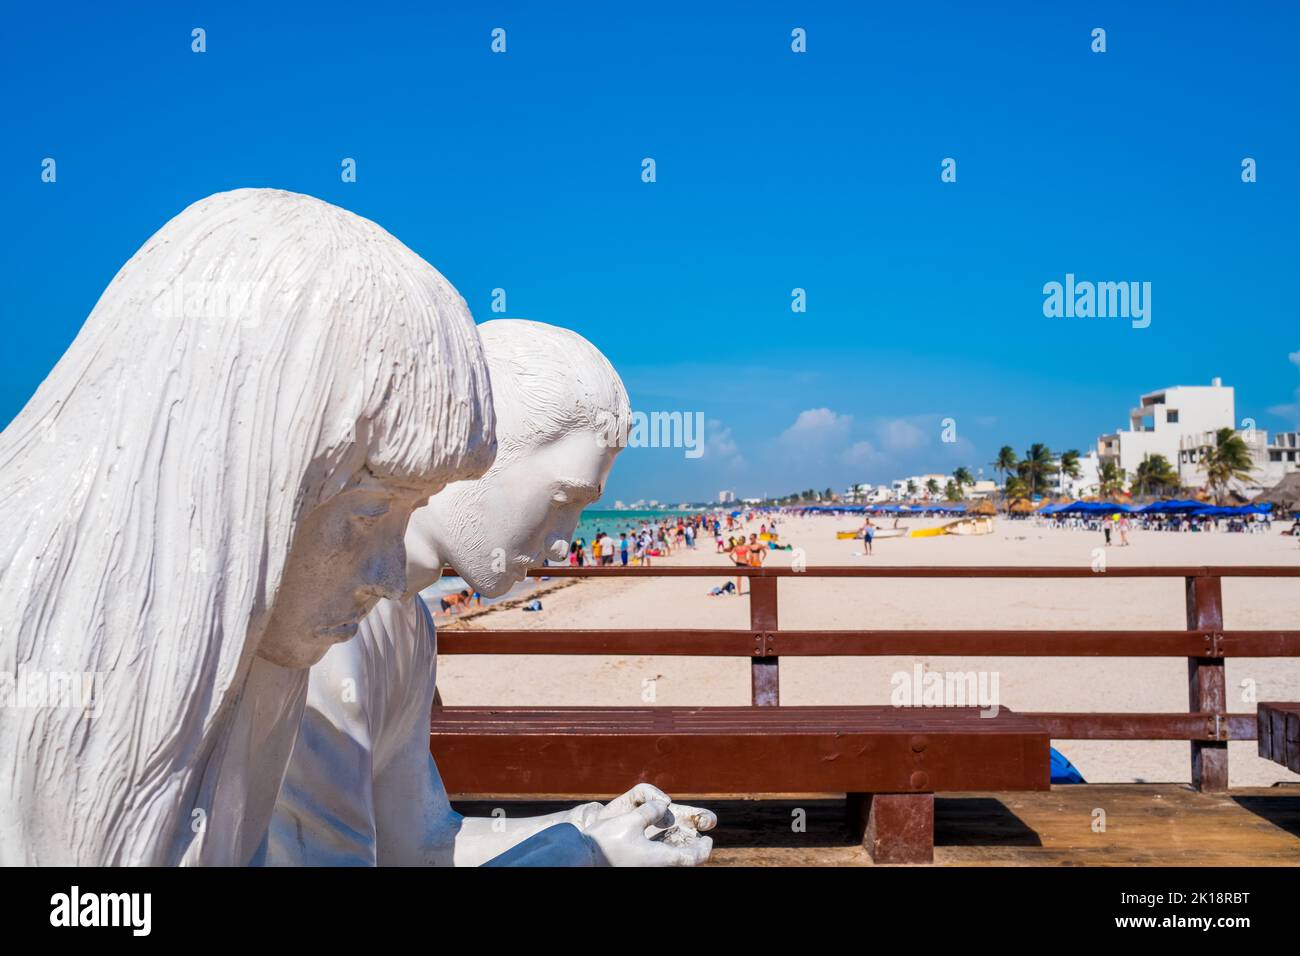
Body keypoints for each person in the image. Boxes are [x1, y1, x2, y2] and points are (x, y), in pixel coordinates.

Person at [0, 188, 497, 865]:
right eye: (370, 512)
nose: (388, 576)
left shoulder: (253, 673)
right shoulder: (52, 658)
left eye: (412, 511)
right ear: (244, 475)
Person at [268, 319, 715, 867]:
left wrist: (588, 825)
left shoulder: (407, 621)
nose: (564, 542)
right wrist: (586, 857)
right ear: (476, 451)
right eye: (561, 499)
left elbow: (423, 839)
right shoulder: (325, 623)